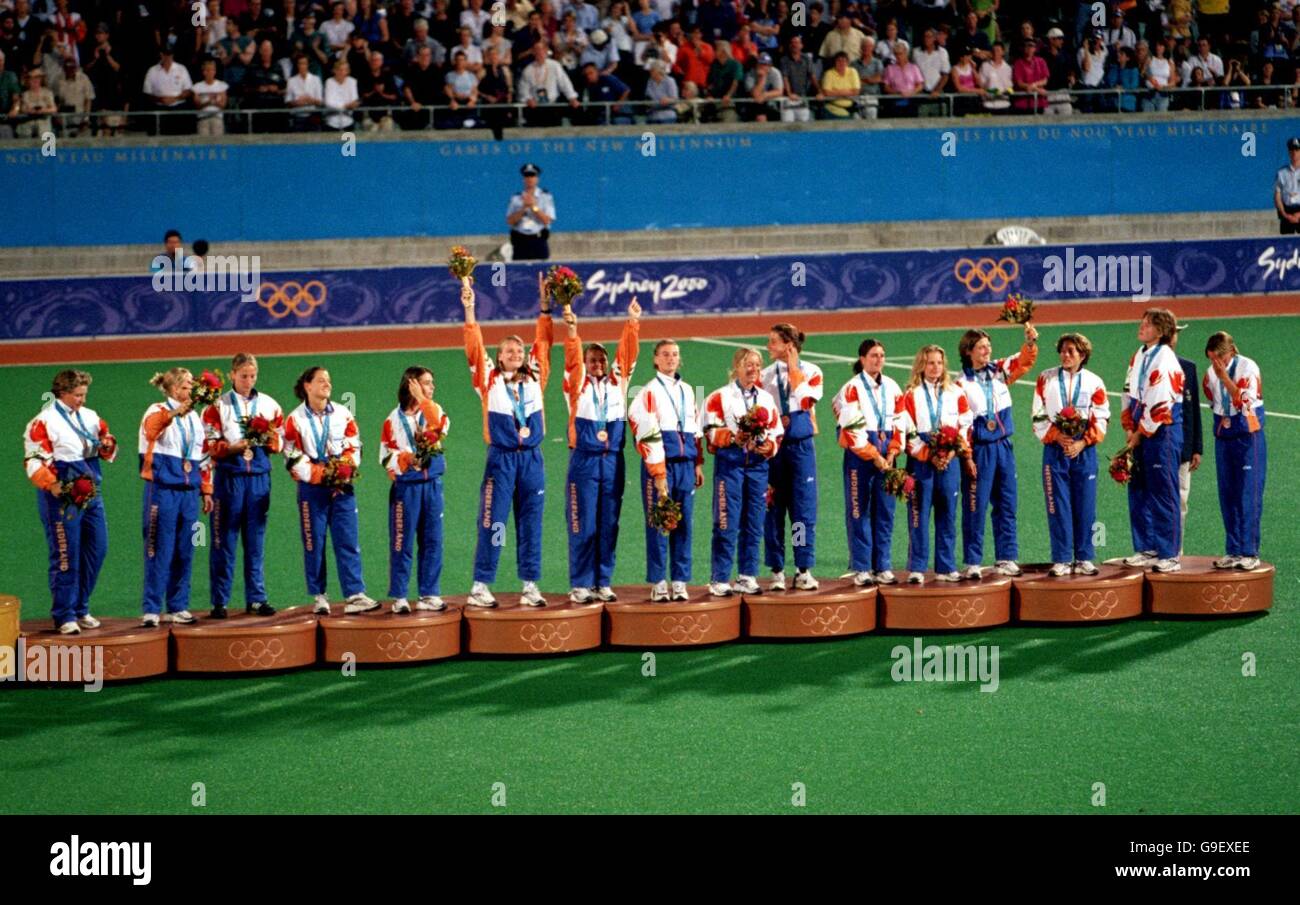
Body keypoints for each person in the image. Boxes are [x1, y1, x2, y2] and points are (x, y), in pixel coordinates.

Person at [461, 275, 553, 607]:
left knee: (531, 522)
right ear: (499, 358)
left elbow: (544, 342)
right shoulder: (488, 379)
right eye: (509, 350)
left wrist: (545, 308)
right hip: (501, 459)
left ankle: (530, 585)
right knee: (494, 520)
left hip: (532, 459)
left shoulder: (536, 377)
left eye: (519, 350)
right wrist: (470, 307)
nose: (516, 353)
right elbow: (474, 347)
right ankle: (481, 585)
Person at [24, 369, 118, 634]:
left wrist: (108, 444)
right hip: (62, 494)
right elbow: (33, 460)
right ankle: (64, 614)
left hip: (91, 490)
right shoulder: (43, 422)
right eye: (77, 395)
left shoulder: (90, 417)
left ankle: (80, 607)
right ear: (62, 393)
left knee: (98, 549)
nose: (82, 400)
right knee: (66, 555)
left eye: (84, 394)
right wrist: (50, 483)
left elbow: (106, 445)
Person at [561, 298, 642, 603]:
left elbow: (627, 355)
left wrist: (632, 323)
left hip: (613, 462)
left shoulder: (617, 383)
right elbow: (572, 360)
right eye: (592, 360)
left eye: (601, 360)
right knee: (583, 522)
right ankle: (581, 583)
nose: (598, 364)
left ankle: (602, 581)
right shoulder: (576, 385)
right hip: (584, 461)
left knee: (609, 523)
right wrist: (572, 332)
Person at [282, 366, 378, 614]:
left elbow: (355, 445)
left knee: (348, 539)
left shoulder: (343, 414)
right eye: (321, 380)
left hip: (342, 485)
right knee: (314, 542)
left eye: (329, 380)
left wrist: (344, 469)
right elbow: (291, 456)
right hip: (312, 488)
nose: (327, 384)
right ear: (307, 386)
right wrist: (321, 474)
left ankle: (355, 594)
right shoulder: (294, 419)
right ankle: (320, 597)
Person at [201, 352, 283, 619]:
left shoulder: (270, 405)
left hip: (259, 478)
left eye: (253, 375)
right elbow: (209, 446)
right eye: (244, 376)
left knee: (255, 542)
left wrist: (271, 441)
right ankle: (220, 601)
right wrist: (232, 448)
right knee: (224, 541)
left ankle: (257, 599)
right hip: (229, 479)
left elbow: (281, 442)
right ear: (232, 375)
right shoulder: (217, 406)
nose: (249, 381)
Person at [954, 322, 1037, 579]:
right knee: (975, 506)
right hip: (980, 449)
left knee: (1007, 503)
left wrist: (1030, 342)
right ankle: (973, 561)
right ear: (969, 351)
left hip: (1003, 446)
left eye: (988, 346)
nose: (986, 351)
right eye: (981, 347)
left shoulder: (1000, 370)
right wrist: (966, 455)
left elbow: (1023, 360)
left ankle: (1006, 557)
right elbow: (960, 423)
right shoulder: (960, 384)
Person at [628, 339, 705, 602]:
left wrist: (697, 463)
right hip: (661, 466)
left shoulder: (688, 390)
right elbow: (646, 434)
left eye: (674, 354)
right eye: (665, 354)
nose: (671, 358)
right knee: (660, 524)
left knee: (685, 524)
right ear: (656, 360)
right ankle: (660, 582)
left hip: (685, 466)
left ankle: (680, 581)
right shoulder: (647, 392)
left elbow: (695, 428)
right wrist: (659, 474)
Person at [704, 347, 785, 597]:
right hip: (731, 466)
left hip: (759, 467)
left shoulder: (766, 398)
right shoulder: (719, 397)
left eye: (758, 365)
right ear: (737, 367)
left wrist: (769, 445)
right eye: (748, 364)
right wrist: (732, 437)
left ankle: (747, 576)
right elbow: (708, 431)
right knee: (726, 522)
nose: (754, 370)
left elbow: (777, 431)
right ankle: (719, 578)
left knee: (754, 522)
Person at [138, 368, 213, 627]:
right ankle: (151, 609)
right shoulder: (156, 410)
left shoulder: (194, 418)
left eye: (191, 386)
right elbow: (151, 431)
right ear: (171, 390)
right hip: (162, 490)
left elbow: (203, 456)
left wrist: (206, 489)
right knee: (158, 549)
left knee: (185, 550)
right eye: (184, 386)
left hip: (189, 492)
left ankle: (178, 606)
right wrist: (172, 414)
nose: (189, 390)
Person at [1031, 334, 1110, 577]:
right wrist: (1055, 436)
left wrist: (1083, 442)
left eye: (1071, 352)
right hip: (1055, 450)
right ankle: (1062, 559)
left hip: (1084, 451)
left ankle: (1085, 557)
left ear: (1082, 355)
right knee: (1058, 506)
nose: (1065, 355)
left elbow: (1102, 416)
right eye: (1063, 351)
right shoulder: (1046, 378)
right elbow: (1038, 412)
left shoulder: (1095, 382)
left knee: (1085, 505)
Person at [898, 344, 973, 584]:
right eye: (930, 362)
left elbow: (965, 424)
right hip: (921, 462)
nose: (935, 367)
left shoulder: (956, 392)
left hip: (949, 462)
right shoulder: (910, 394)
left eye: (939, 363)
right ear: (922, 365)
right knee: (918, 514)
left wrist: (951, 454)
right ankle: (917, 568)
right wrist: (929, 456)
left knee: (947, 515)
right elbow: (906, 431)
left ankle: (946, 566)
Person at [379, 366, 450, 613]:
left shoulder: (434, 410)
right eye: (427, 383)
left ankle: (429, 594)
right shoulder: (392, 420)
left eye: (432, 383)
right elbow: (385, 458)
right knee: (402, 542)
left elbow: (441, 426)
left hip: (432, 486)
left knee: (433, 541)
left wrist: (423, 398)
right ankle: (399, 596)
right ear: (412, 385)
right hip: (406, 490)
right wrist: (407, 459)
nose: (432, 387)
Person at [1120, 308, 1185, 573]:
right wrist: (1128, 426)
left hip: (1162, 433)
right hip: (1140, 431)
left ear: (1160, 331)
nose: (1141, 326)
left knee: (1163, 493)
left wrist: (1138, 433)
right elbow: (1127, 391)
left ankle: (1168, 554)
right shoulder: (1140, 355)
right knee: (1139, 490)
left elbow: (1160, 403)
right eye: (1142, 322)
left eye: (1147, 324)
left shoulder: (1166, 359)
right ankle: (1147, 548)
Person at [833, 338, 902, 587]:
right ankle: (862, 567)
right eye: (873, 355)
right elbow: (851, 430)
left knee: (885, 511)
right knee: (858, 510)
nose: (878, 359)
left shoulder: (893, 387)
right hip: (860, 456)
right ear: (862, 359)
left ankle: (882, 566)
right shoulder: (852, 388)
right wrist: (875, 455)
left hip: (887, 453)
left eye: (882, 355)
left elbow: (900, 421)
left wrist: (893, 450)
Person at [761, 323, 823, 591]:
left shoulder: (812, 372)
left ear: (788, 345)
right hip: (773, 449)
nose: (767, 346)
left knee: (801, 511)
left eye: (772, 341)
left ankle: (802, 569)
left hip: (800, 449)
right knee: (773, 509)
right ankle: (777, 571)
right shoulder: (765, 375)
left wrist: (794, 367)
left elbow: (805, 399)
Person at [1202, 331, 1266, 571]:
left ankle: (1249, 552)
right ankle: (1233, 550)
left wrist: (1225, 377)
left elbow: (1244, 402)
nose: (1215, 365)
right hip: (1224, 438)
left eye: (1220, 359)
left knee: (1248, 494)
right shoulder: (1209, 374)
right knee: (1227, 495)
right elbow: (1212, 401)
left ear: (1231, 352)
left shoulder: (1248, 368)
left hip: (1248, 438)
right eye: (1211, 360)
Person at [1169, 324, 1202, 555]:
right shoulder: (1142, 363)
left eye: (1176, 332)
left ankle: (1176, 550)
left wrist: (1197, 447)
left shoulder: (1188, 368)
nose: (1174, 337)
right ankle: (1157, 549)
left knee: (1181, 499)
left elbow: (1193, 410)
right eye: (1171, 332)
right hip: (1157, 444)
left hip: (1183, 447)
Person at [506, 161, 555, 260]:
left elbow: (547, 220)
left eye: (532, 175)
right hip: (520, 241)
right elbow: (510, 221)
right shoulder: (516, 198)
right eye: (527, 176)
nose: (529, 178)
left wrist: (533, 207)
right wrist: (523, 208)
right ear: (523, 178)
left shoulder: (545, 197)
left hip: (538, 239)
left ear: (537, 178)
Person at [1275, 136, 1300, 235]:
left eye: (1297, 149)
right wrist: (1285, 214)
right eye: (1292, 149)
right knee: (1286, 245)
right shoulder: (1282, 173)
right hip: (1287, 213)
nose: (1294, 153)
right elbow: (1277, 196)